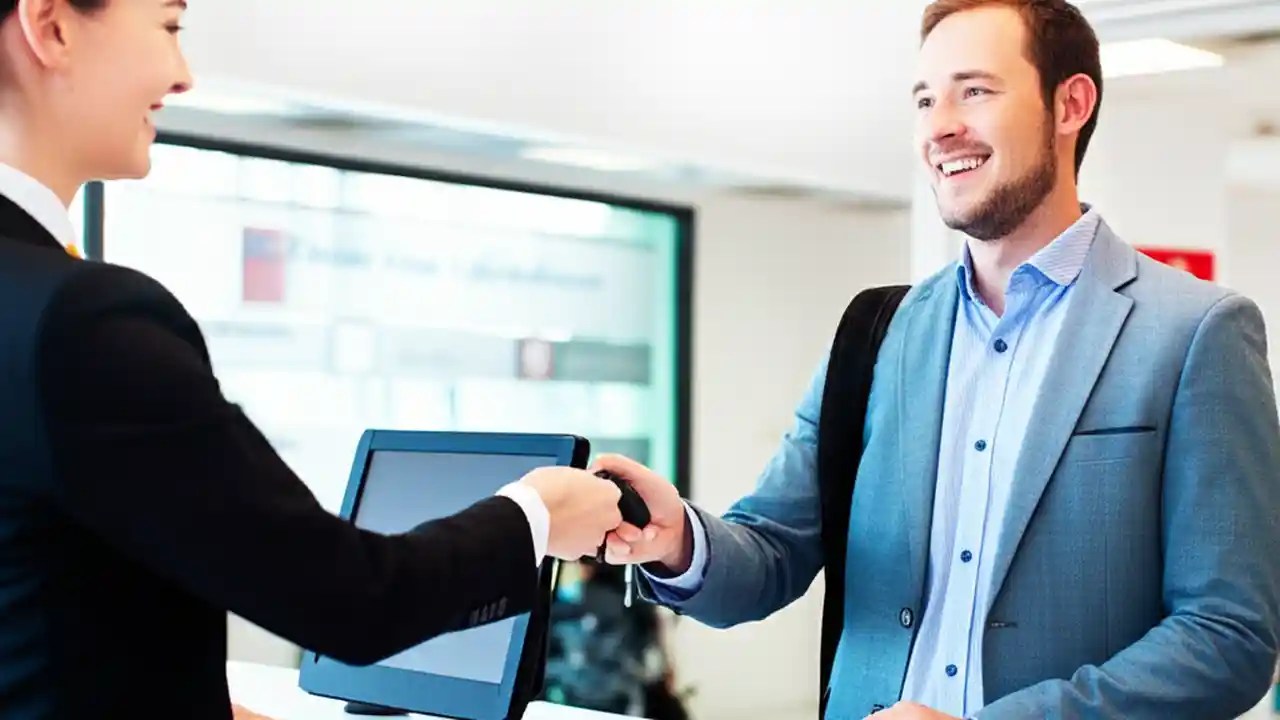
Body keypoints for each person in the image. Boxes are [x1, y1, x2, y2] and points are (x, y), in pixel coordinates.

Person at [597, 1, 1280, 718]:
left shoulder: (1195, 333)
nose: (940, 125)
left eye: (975, 90)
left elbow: (1226, 636)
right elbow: (770, 551)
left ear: (1070, 104)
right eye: (925, 98)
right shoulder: (876, 336)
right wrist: (676, 539)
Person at [0, 1, 626, 718]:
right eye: (169, 27)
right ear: (51, 27)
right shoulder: (81, 320)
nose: (183, 77)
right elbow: (354, 601)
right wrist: (539, 515)